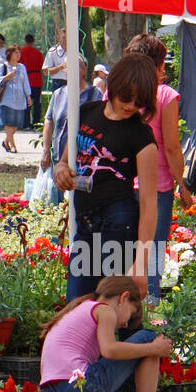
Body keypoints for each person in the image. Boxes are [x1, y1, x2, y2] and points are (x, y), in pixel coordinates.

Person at [52, 54, 159, 302]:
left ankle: (133, 341)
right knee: (76, 304)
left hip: (119, 221)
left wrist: (141, 264)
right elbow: (66, 161)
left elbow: (148, 204)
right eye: (126, 97)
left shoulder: (142, 135)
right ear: (114, 86)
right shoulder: (86, 111)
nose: (131, 105)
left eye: (140, 101)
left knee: (116, 307)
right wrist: (60, 168)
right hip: (86, 220)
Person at [126, 33, 190, 306]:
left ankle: (124, 305)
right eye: (162, 63)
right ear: (154, 65)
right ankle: (149, 306)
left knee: (125, 249)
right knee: (152, 249)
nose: (164, 69)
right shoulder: (164, 95)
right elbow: (173, 148)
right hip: (158, 186)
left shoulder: (115, 93)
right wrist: (184, 186)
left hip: (123, 183)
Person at [39, 275, 172, 392]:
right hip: (77, 386)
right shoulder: (105, 310)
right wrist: (154, 348)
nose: (125, 324)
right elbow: (109, 350)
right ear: (123, 298)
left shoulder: (81, 307)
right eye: (130, 315)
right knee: (148, 338)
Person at [40, 58, 99, 177]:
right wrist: (46, 151)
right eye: (67, 68)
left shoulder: (95, 94)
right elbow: (49, 122)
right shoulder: (58, 94)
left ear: (84, 70)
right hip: (58, 156)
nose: (70, 71)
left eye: (75, 67)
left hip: (84, 159)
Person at [0, 46, 30, 153]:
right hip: (6, 98)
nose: (18, 54)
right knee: (8, 123)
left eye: (19, 52)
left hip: (19, 99)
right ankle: (13, 146)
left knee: (15, 126)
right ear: (9, 53)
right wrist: (8, 76)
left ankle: (6, 142)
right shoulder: (3, 66)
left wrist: (28, 96)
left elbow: (25, 82)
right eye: (15, 52)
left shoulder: (22, 67)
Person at [20, 34, 44, 128]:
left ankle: (26, 123)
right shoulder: (38, 53)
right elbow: (41, 67)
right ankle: (36, 123)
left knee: (26, 103)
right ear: (33, 41)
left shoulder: (21, 52)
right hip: (36, 79)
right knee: (37, 103)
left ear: (25, 41)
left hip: (26, 80)